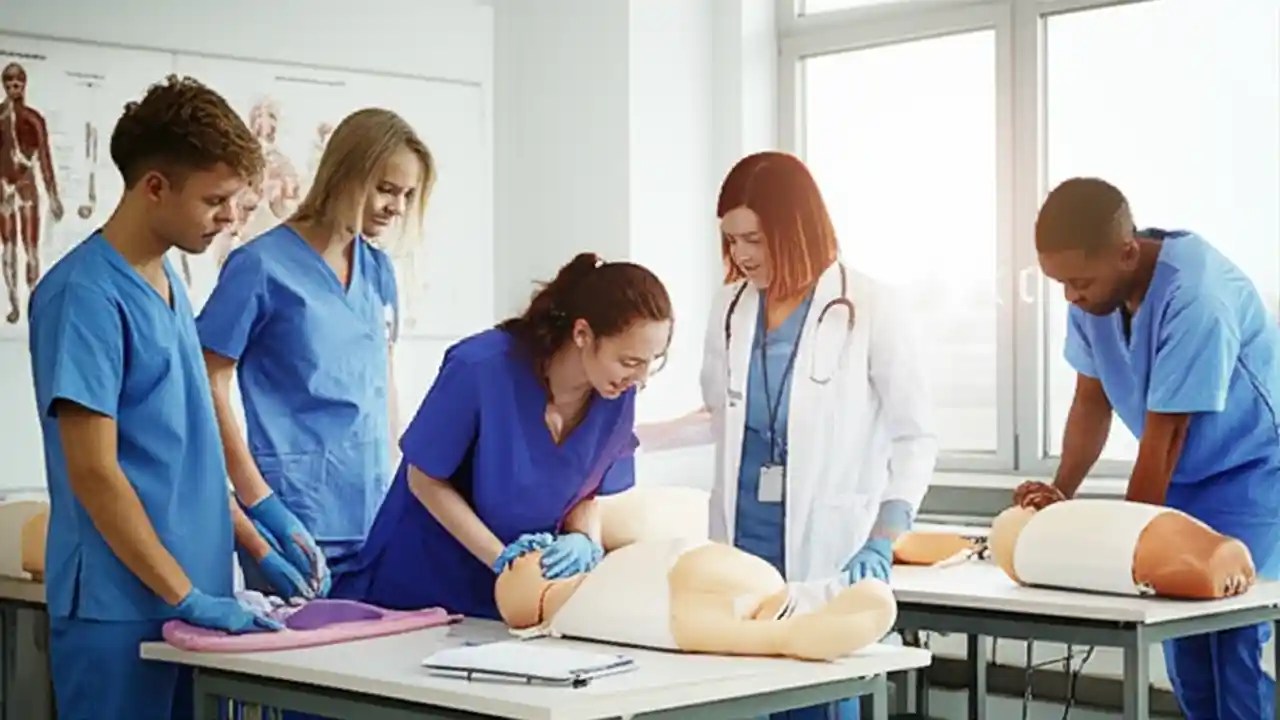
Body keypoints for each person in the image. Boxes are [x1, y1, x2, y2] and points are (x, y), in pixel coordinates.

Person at [26, 75, 284, 720]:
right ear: (155, 188)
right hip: (120, 606)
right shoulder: (83, 295)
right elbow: (94, 472)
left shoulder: (166, 277)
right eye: (216, 200)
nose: (229, 218)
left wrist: (257, 544)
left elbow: (178, 454)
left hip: (187, 595)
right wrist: (186, 597)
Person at [690, 151, 938, 720]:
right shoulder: (729, 307)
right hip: (741, 545)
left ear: (793, 227)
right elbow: (717, 415)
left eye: (754, 238)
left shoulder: (871, 304)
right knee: (739, 698)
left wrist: (884, 536)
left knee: (818, 705)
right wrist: (626, 438)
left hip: (831, 548)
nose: (741, 255)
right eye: (731, 241)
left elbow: (915, 436)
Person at [1022, 176, 1280, 720]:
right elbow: (1091, 400)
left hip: (1250, 475)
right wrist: (1061, 491)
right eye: (1061, 283)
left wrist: (1123, 549)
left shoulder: (1197, 295)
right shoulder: (1095, 294)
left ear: (1127, 251)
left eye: (1078, 281)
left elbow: (1167, 436)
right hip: (1181, 479)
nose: (1070, 296)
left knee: (1230, 639)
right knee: (1183, 648)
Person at [330, 253, 673, 622]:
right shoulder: (481, 367)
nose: (641, 378)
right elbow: (423, 477)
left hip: (507, 600)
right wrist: (500, 558)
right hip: (415, 589)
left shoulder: (616, 397)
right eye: (629, 362)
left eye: (652, 362)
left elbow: (585, 490)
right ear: (582, 334)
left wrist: (585, 539)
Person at [196, 108, 436, 599]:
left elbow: (380, 383)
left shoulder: (378, 271)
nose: (396, 206)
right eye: (387, 189)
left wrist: (401, 491)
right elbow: (206, 380)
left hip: (374, 517)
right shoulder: (259, 267)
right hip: (295, 520)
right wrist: (256, 500)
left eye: (407, 196)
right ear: (346, 172)